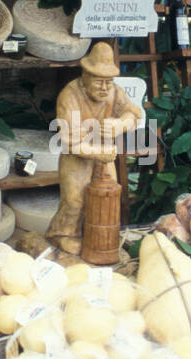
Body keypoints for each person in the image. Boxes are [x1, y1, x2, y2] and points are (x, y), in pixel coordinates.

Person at [45, 42, 143, 255]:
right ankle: (62, 235)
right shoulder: (70, 95)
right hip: (77, 158)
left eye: (109, 81)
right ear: (85, 76)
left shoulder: (114, 92)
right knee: (75, 200)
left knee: (107, 198)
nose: (105, 88)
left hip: (105, 159)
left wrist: (120, 124)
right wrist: (99, 152)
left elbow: (133, 113)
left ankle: (97, 236)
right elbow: (71, 141)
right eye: (99, 81)